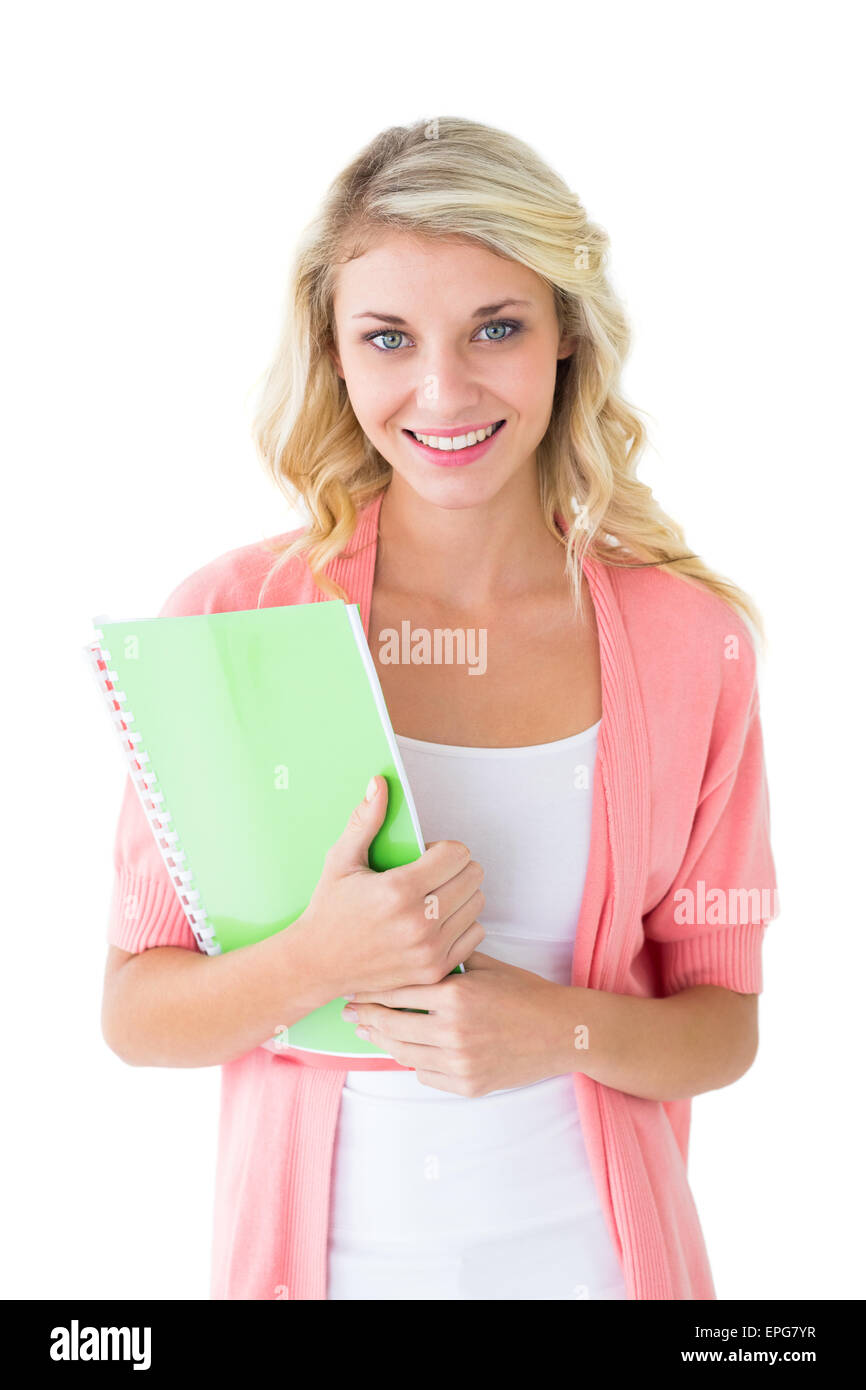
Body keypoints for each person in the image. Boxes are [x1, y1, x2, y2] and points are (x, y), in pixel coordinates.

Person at [101, 116, 779, 1300]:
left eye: (495, 328)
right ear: (336, 350)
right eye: (388, 338)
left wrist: (554, 1029)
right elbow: (136, 1011)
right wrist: (314, 959)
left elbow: (721, 1021)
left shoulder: (686, 643)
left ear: (565, 332)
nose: (441, 390)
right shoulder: (233, 620)